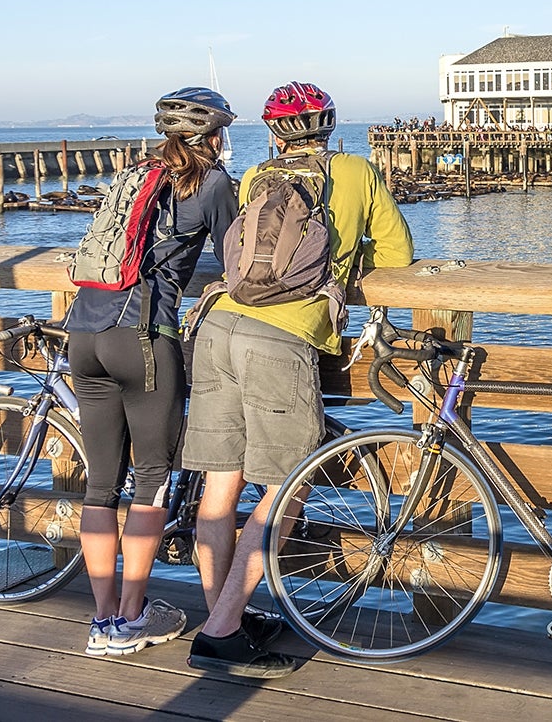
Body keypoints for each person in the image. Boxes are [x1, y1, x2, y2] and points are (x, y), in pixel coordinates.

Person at [185, 81, 415, 678]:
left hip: (218, 328)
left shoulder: (258, 177)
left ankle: (226, 619)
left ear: (273, 135)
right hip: (282, 339)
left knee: (220, 485)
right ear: (330, 127)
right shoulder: (357, 171)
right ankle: (220, 630)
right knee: (287, 489)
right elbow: (398, 255)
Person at [64, 87, 237, 658]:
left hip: (83, 332)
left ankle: (101, 618)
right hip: (141, 336)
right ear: (214, 137)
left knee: (99, 484)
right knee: (152, 479)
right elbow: (239, 261)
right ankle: (130, 620)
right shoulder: (212, 183)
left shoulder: (137, 174)